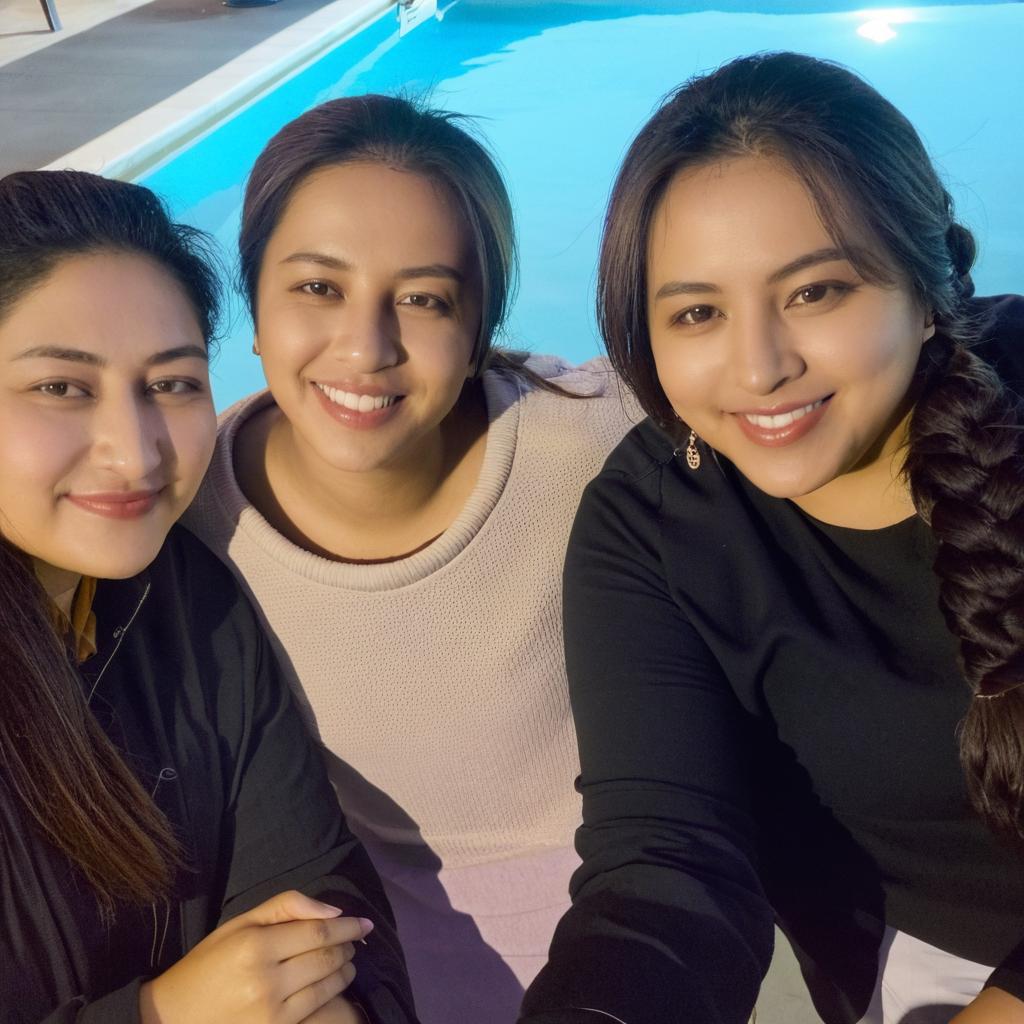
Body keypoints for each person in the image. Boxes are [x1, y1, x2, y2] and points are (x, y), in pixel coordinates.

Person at [520, 52, 1024, 1024]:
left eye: (815, 292)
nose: (759, 368)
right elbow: (665, 864)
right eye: (698, 312)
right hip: (921, 971)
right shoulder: (649, 524)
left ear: (926, 290)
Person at [183, 95, 636, 1023]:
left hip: (635, 921)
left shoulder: (596, 448)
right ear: (255, 308)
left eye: (425, 299)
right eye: (318, 287)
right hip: (372, 953)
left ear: (477, 334)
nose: (366, 347)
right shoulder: (189, 515)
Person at [0, 169, 416, 1024]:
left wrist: (328, 1001)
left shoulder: (190, 602)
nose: (136, 452)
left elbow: (318, 882)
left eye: (173, 384)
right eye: (61, 387)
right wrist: (161, 1015)